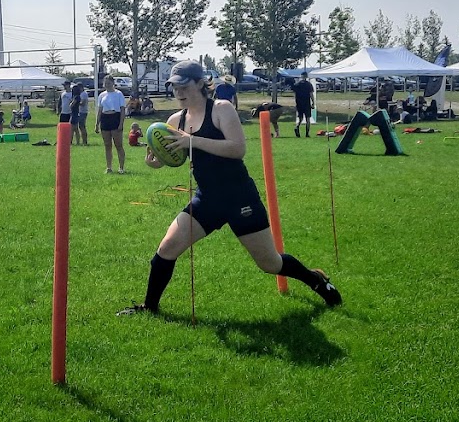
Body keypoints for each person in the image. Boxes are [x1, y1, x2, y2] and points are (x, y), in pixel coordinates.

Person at [118, 60, 341, 316]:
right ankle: (149, 307)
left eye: (183, 84)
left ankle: (315, 279)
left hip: (239, 197)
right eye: (173, 86)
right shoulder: (175, 120)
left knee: (270, 263)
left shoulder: (221, 109)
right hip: (207, 199)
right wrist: (156, 162)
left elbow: (237, 149)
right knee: (166, 249)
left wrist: (193, 140)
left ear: (201, 83)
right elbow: (177, 158)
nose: (177, 91)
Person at [96, 75, 127, 173]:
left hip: (115, 117)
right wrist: (97, 123)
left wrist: (121, 123)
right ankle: (109, 167)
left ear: (113, 83)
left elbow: (122, 109)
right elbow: (100, 110)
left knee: (118, 145)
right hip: (105, 119)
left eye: (109, 83)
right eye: (105, 83)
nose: (107, 85)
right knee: (107, 145)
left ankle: (121, 167)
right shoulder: (102, 95)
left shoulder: (118, 94)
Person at [291, 71, 315, 138]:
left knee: (300, 118)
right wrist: (313, 102)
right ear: (306, 76)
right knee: (308, 119)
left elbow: (294, 94)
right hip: (306, 103)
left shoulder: (297, 84)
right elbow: (311, 94)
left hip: (299, 103)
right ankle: (307, 133)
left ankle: (297, 127)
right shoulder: (309, 84)